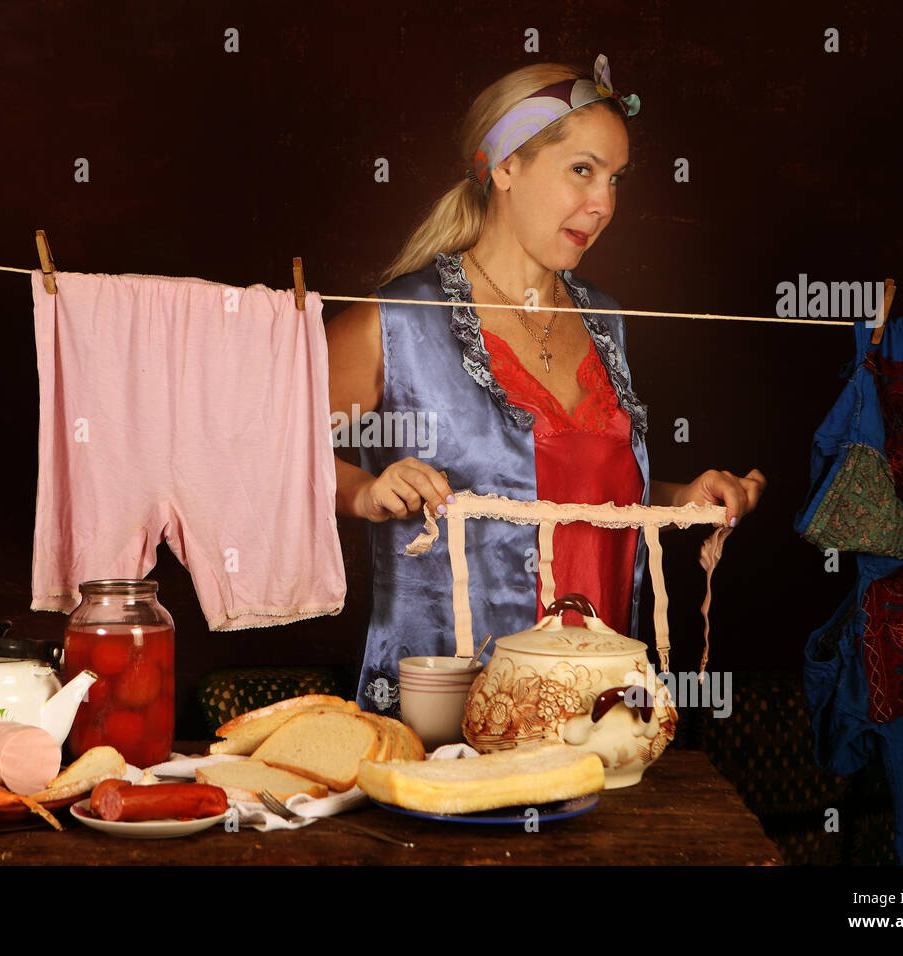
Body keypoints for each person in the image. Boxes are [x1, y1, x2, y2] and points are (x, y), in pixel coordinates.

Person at [327, 54, 766, 715]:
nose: (605, 204)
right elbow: (260, 460)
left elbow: (578, 483)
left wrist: (681, 497)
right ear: (505, 166)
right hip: (448, 724)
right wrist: (364, 491)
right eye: (582, 171)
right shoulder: (397, 323)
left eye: (616, 179)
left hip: (601, 718)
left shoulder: (607, 320)